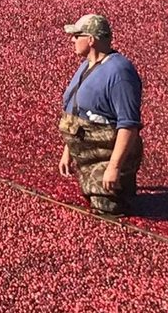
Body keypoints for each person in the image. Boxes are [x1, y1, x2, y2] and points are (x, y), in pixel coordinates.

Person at [56, 12, 143, 217]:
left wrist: (113, 167)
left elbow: (128, 125)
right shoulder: (87, 65)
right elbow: (75, 109)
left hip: (104, 152)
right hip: (86, 152)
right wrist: (68, 151)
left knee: (108, 206)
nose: (73, 40)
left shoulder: (120, 74)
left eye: (77, 36)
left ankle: (122, 181)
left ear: (91, 39)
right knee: (91, 194)